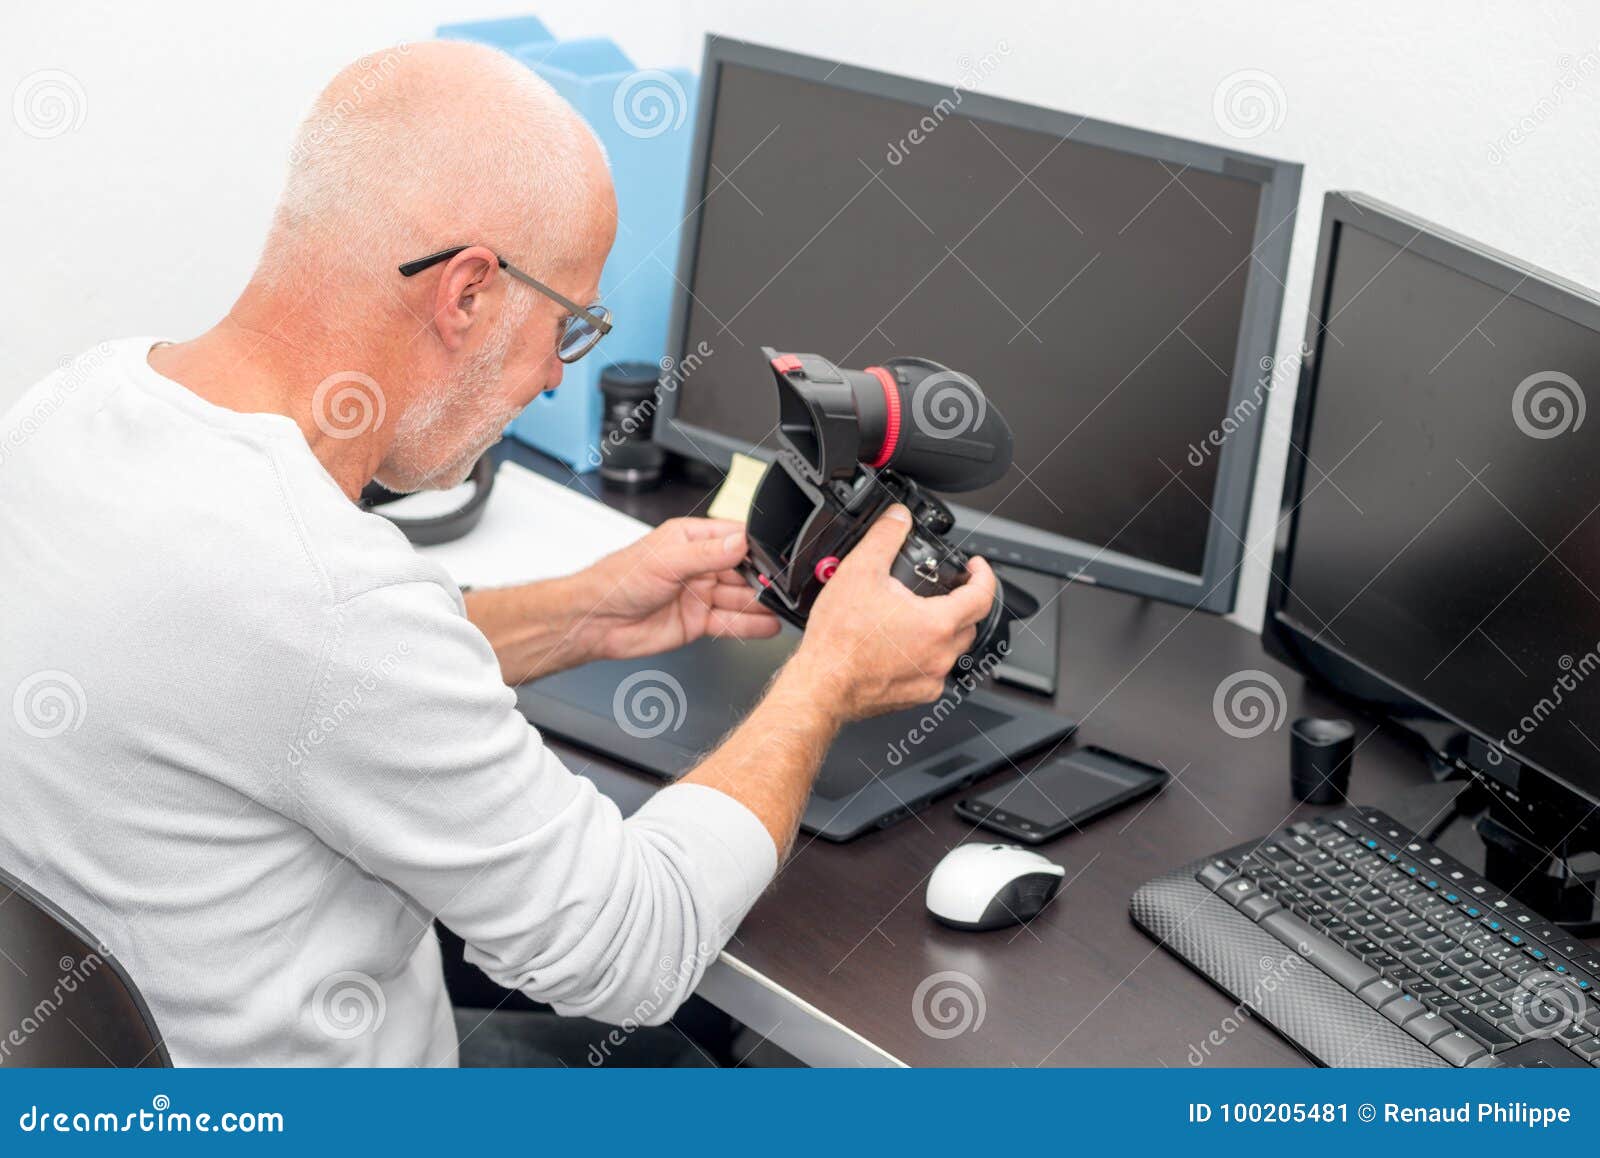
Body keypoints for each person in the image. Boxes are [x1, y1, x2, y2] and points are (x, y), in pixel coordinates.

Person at [0, 40, 995, 1066]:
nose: (558, 380)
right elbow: (632, 950)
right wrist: (826, 678)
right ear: (468, 293)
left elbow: (271, 677)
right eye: (569, 329)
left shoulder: (70, 407)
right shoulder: (329, 602)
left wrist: (585, 610)